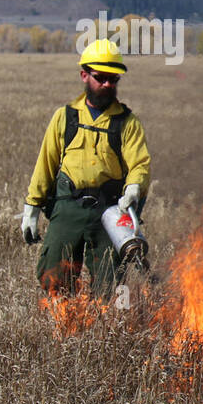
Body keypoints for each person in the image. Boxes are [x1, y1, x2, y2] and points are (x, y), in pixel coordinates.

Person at [21, 39, 152, 298]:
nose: (107, 84)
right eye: (100, 77)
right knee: (54, 279)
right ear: (84, 75)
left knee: (110, 287)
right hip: (68, 207)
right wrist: (32, 208)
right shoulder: (65, 117)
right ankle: (65, 330)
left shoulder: (128, 123)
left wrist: (135, 186)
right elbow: (45, 164)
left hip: (110, 211)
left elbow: (140, 163)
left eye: (112, 79)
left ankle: (101, 333)